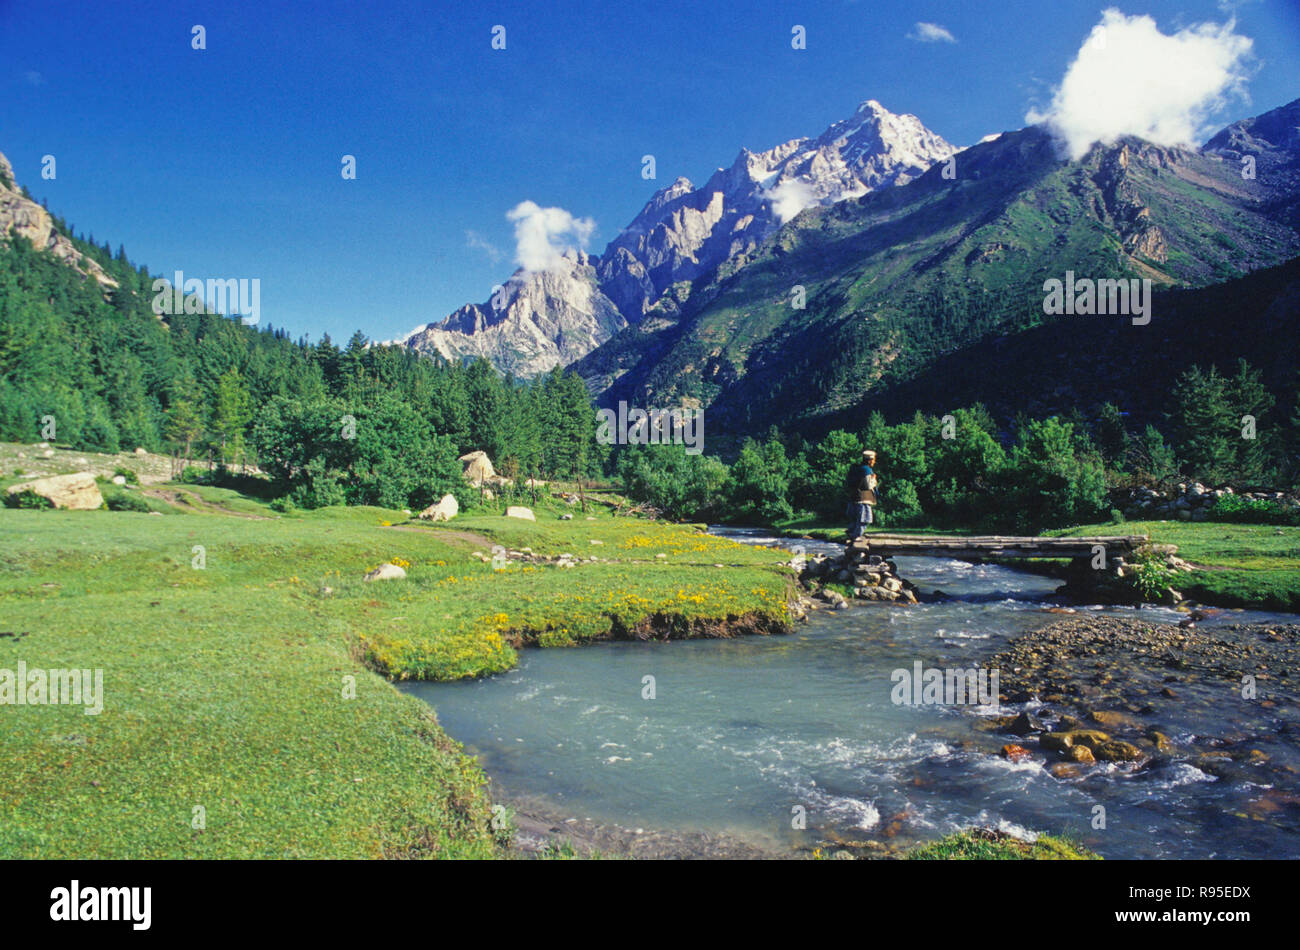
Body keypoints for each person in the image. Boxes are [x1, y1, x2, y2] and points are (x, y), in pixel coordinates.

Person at [845, 449, 879, 541]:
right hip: (863, 499)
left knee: (854, 521)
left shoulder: (855, 468)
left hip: (853, 499)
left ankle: (851, 536)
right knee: (864, 520)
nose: (874, 462)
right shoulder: (866, 470)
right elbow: (867, 486)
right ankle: (856, 538)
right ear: (870, 460)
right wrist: (874, 480)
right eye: (874, 460)